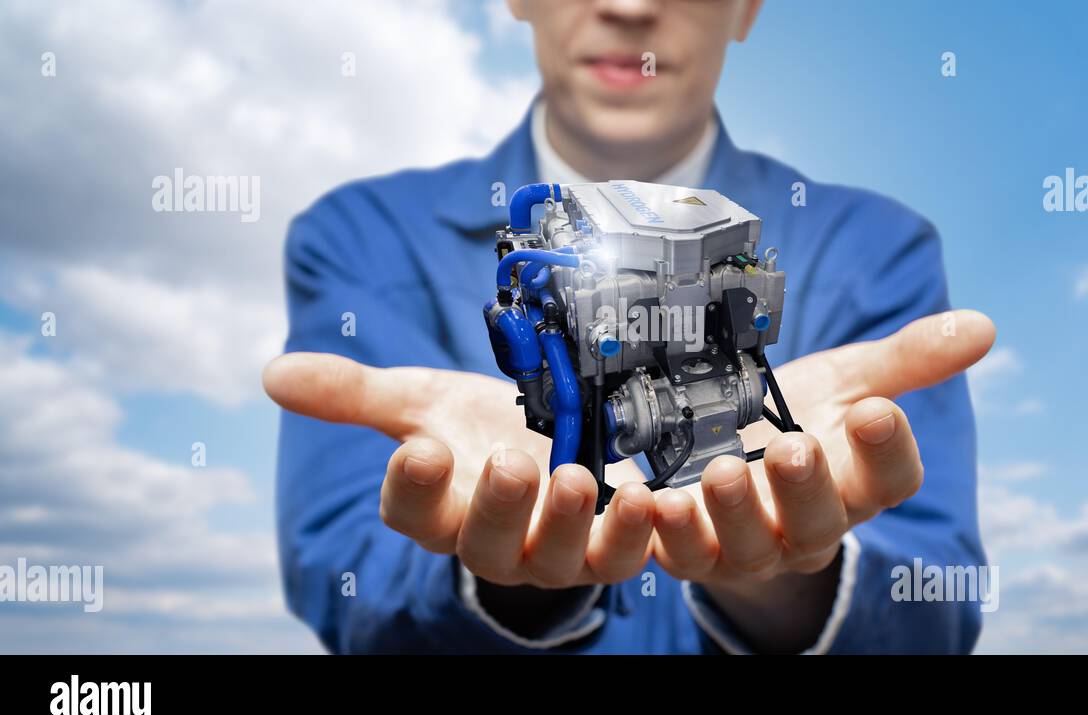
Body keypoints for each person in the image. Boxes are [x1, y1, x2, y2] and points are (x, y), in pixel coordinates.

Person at [262, 0, 996, 654]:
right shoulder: (363, 235)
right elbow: (344, 579)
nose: (630, 6)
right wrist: (507, 578)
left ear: (748, 9)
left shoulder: (878, 245)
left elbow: (940, 601)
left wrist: (790, 578)